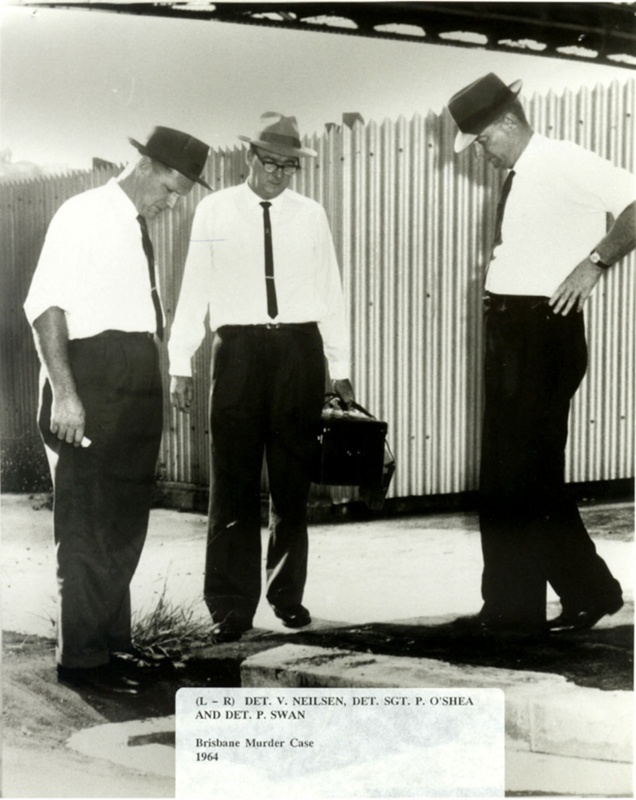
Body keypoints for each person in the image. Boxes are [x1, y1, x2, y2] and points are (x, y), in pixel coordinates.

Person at [24, 126, 211, 694]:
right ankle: (82, 661)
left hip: (132, 379)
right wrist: (66, 392)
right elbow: (45, 306)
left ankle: (113, 648)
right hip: (90, 377)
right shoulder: (82, 214)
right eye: (173, 190)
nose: (172, 203)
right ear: (148, 167)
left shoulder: (135, 227)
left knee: (124, 522)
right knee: (86, 526)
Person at [446, 73, 635, 634]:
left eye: (482, 141)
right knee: (506, 475)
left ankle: (587, 590)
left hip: (541, 331)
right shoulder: (522, 173)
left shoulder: (562, 158)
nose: (481, 154)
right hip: (511, 330)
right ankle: (513, 605)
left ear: (506, 123)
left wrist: (594, 263)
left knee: (527, 473)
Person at [169, 112, 355, 642]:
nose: (277, 173)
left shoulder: (311, 214)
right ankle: (229, 604)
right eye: (268, 161)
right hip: (239, 351)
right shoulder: (214, 210)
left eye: (288, 166)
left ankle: (287, 595)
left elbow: (331, 292)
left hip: (299, 349)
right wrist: (180, 362)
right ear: (249, 157)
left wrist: (339, 367)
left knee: (293, 481)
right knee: (232, 481)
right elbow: (193, 289)